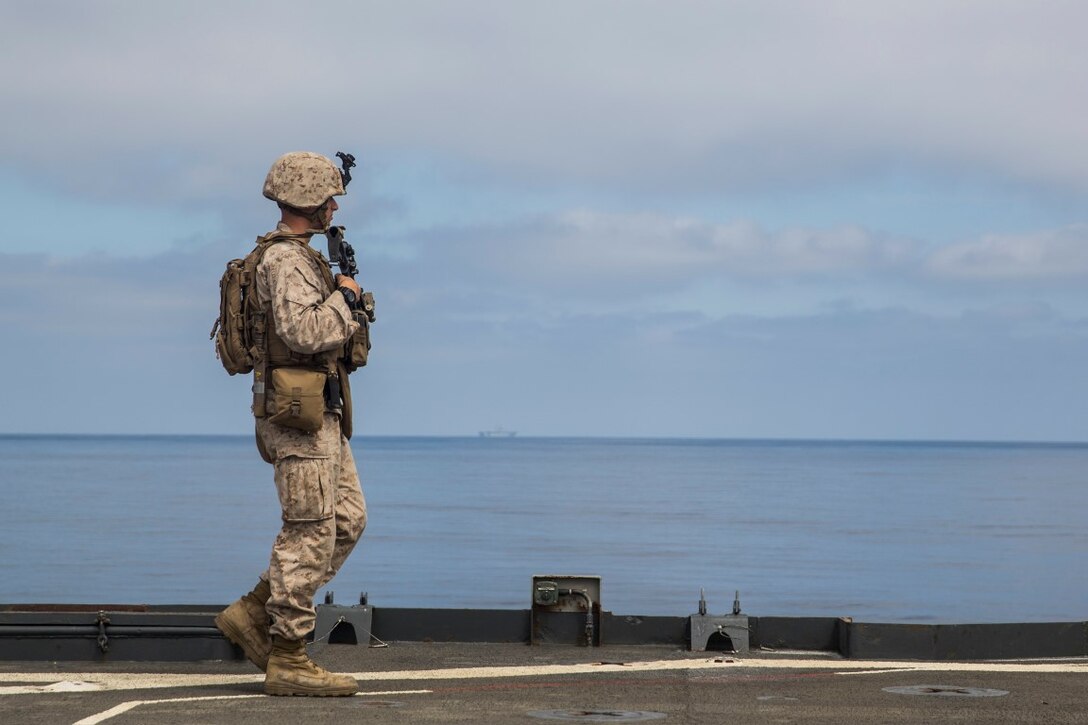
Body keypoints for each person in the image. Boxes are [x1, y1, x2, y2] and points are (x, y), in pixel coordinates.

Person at [215, 151, 367, 697]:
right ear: (309, 201)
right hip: (296, 417)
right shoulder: (285, 262)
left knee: (346, 519)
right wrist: (346, 298)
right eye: (328, 197)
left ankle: (256, 612)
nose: (333, 206)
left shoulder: (302, 257)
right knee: (309, 528)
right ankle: (288, 655)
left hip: (318, 413)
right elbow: (302, 332)